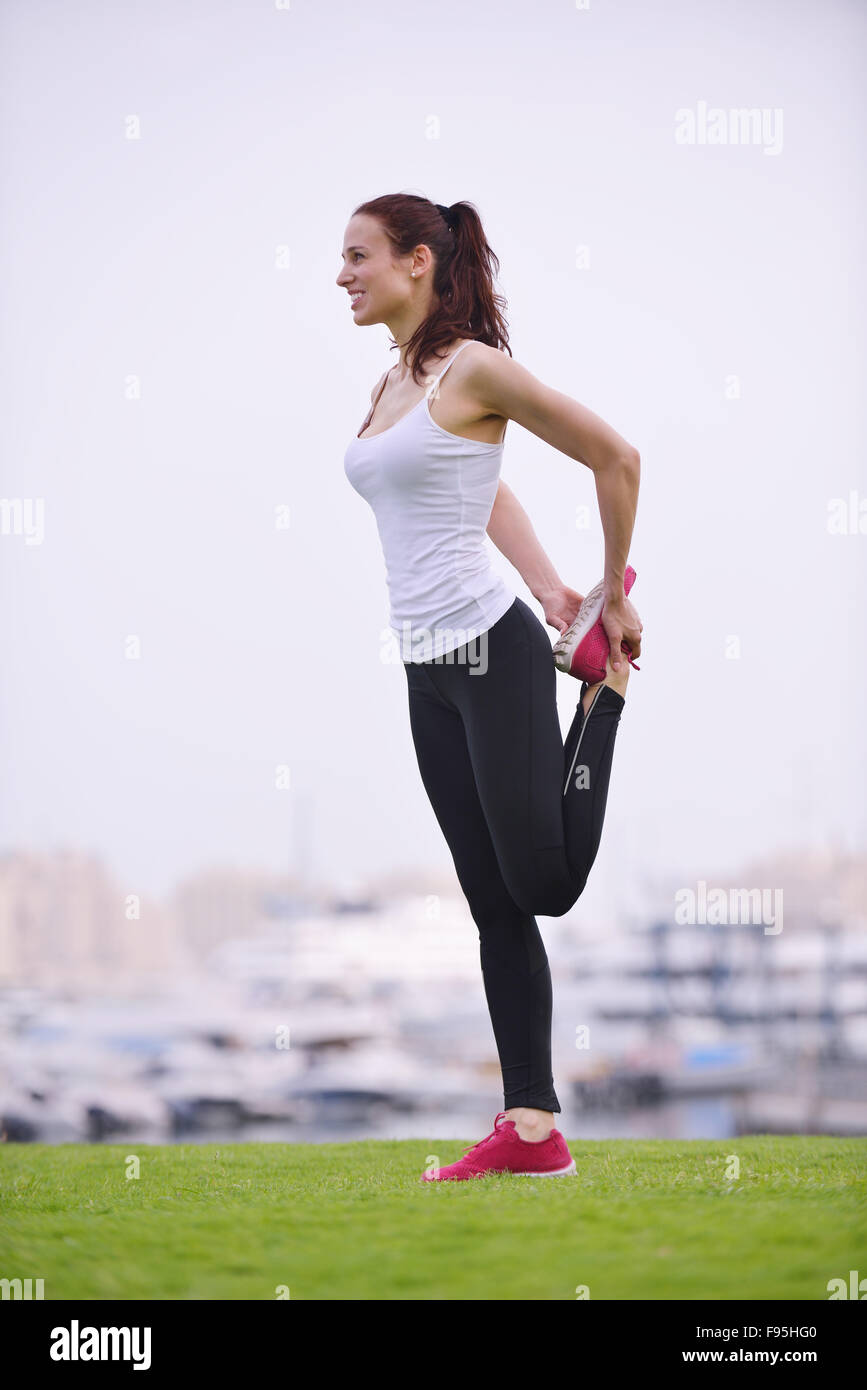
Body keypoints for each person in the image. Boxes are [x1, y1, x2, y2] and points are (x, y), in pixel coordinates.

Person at [338, 194, 643, 1182]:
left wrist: (606, 589)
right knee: (492, 905)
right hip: (427, 671)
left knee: (543, 885)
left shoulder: (473, 366)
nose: (342, 275)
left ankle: (606, 702)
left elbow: (616, 455)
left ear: (417, 261)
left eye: (358, 256)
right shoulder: (395, 381)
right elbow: (485, 485)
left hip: (493, 651)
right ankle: (530, 1127)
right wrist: (555, 585)